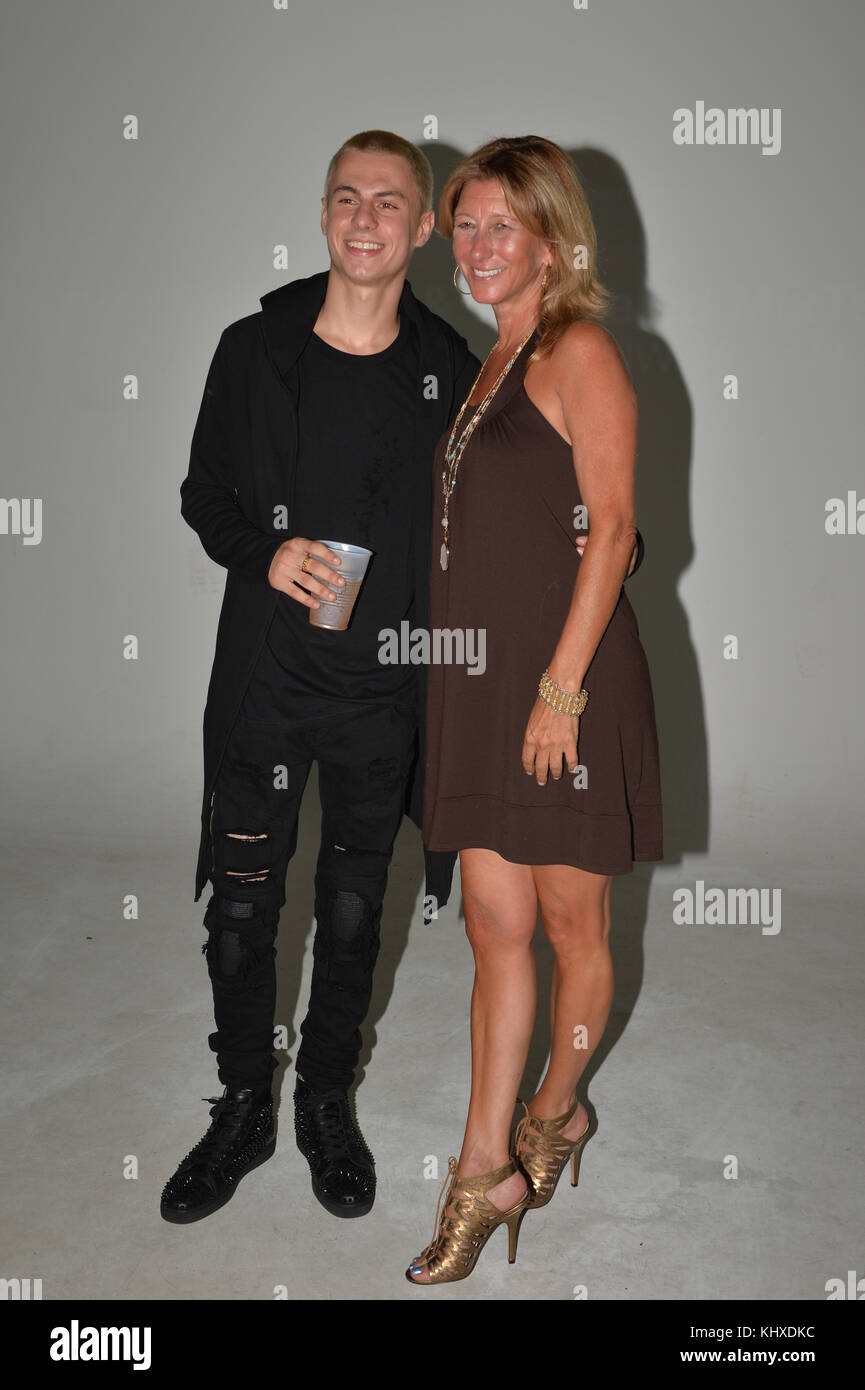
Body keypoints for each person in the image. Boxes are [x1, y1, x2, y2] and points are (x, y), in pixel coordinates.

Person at [160, 131, 483, 1224]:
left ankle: (324, 1104)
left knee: (351, 910)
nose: (362, 218)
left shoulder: (449, 371)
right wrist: (264, 552)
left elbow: (491, 528)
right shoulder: (254, 349)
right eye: (345, 197)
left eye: (389, 202)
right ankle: (244, 1102)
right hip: (266, 681)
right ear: (323, 211)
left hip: (383, 692)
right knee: (245, 913)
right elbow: (205, 494)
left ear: (423, 226)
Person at [406, 136, 663, 1285]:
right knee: (489, 930)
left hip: (567, 685)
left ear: (555, 238)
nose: (476, 245)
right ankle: (480, 1168)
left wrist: (560, 691)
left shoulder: (579, 349)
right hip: (482, 687)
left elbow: (610, 530)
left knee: (573, 932)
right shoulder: (487, 361)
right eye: (464, 225)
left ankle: (555, 1114)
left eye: (500, 225)